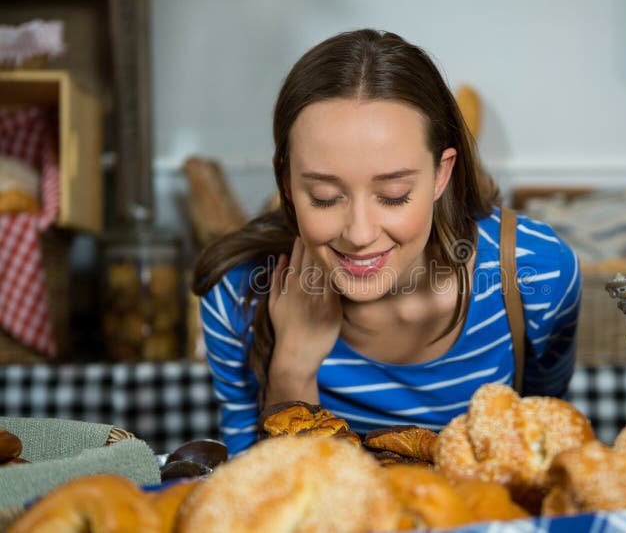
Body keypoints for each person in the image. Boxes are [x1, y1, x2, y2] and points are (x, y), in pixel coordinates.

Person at [192, 29, 581, 456]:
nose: (359, 234)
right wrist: (291, 371)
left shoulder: (538, 271)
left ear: (441, 174)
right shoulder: (236, 294)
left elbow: (547, 455)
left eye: (393, 195)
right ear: (286, 182)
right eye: (325, 197)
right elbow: (259, 501)